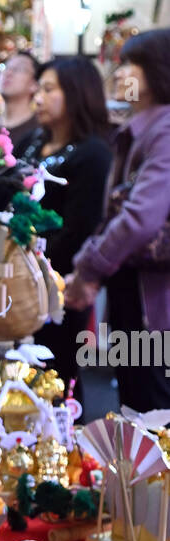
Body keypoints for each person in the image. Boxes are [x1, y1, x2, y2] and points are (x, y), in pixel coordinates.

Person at [66, 28, 170, 413]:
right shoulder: (144, 129)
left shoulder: (163, 129)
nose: (121, 73)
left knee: (151, 417)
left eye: (132, 64)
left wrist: (88, 270)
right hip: (141, 299)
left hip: (154, 308)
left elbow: (141, 217)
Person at [18, 56, 112, 397]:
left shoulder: (93, 154)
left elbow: (79, 227)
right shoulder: (31, 141)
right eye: (38, 89)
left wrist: (35, 266)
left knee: (57, 377)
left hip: (58, 282)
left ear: (76, 93)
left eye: (48, 89)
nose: (38, 98)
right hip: (15, 279)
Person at [0, 50, 41, 154]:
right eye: (5, 67)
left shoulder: (39, 131)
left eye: (19, 69)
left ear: (35, 84)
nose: (8, 73)